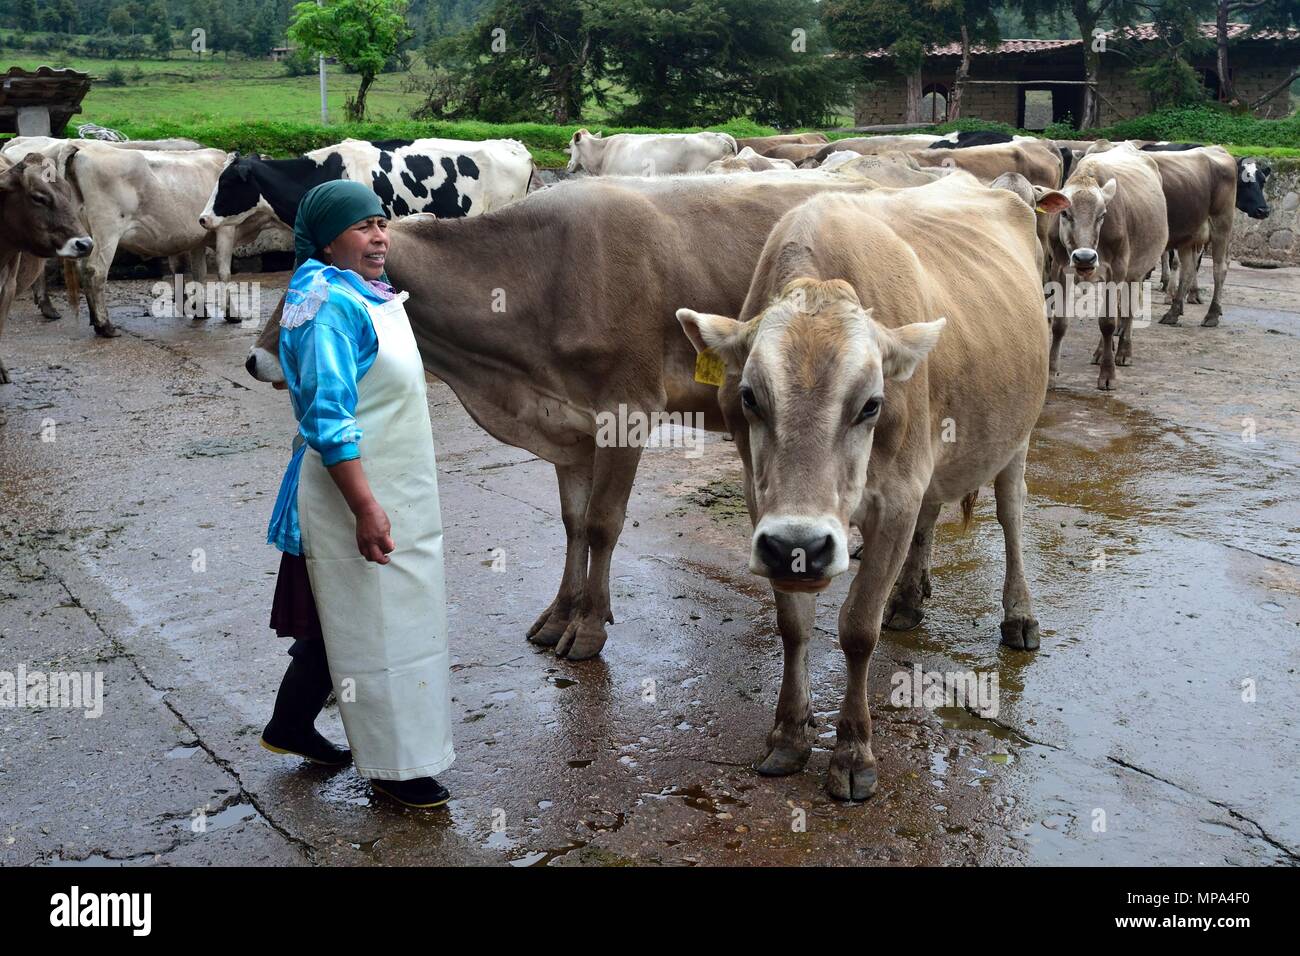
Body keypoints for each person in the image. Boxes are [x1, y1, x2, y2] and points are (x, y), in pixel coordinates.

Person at [260, 180, 453, 809]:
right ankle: (396, 769)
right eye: (361, 226)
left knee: (351, 621)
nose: (378, 237)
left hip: (393, 490)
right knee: (376, 629)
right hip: (352, 498)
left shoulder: (365, 295)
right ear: (325, 237)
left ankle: (290, 724)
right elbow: (329, 419)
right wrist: (366, 507)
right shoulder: (325, 305)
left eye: (382, 223)